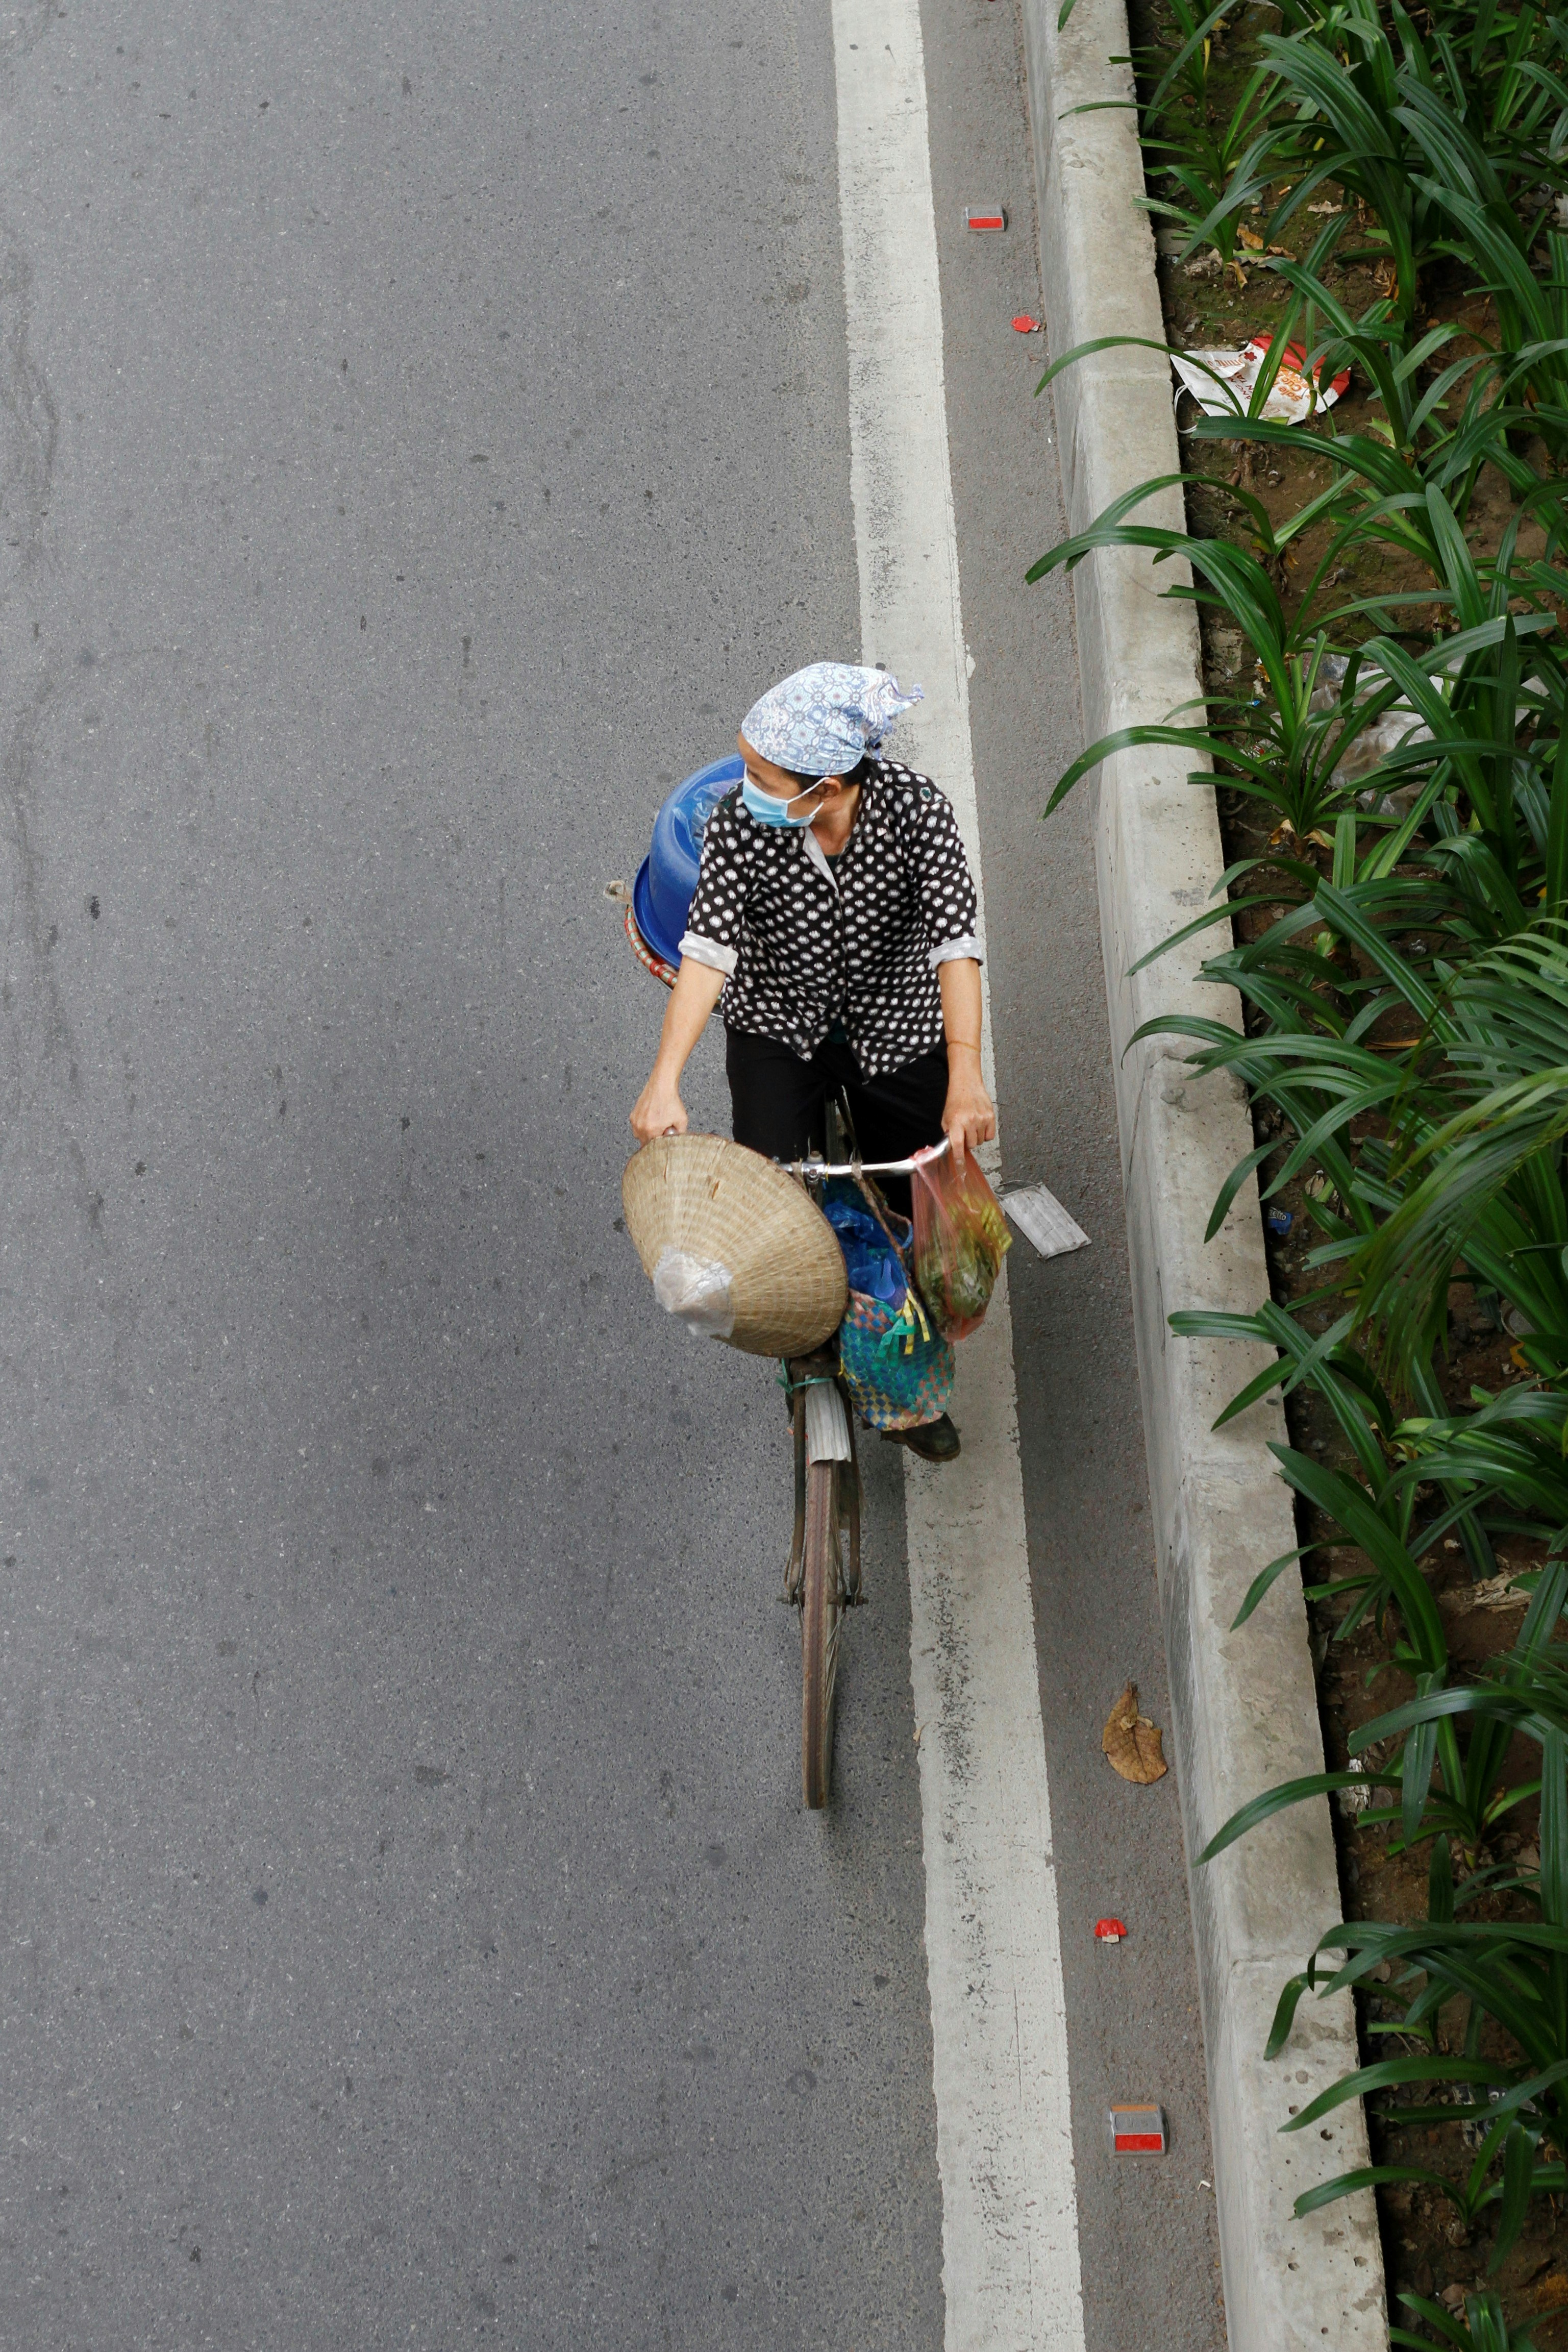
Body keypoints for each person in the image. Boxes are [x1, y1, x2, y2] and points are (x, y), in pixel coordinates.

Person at [630, 662, 994, 1463]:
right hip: (776, 1030)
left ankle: (906, 1389)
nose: (745, 786)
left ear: (826, 785)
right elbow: (708, 951)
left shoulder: (917, 816)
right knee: (774, 1197)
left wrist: (964, 1073)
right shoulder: (738, 825)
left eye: (762, 775)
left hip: (894, 1031)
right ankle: (807, 1335)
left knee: (913, 1204)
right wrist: (665, 1078)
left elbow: (955, 950)